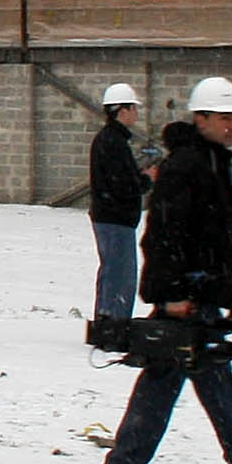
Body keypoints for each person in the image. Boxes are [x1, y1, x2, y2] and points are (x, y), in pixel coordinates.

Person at [98, 75, 232, 464]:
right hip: (186, 296)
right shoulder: (186, 166)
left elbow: (220, 237)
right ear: (201, 117)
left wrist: (228, 295)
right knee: (176, 377)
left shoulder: (211, 162)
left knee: (203, 376)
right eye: (224, 117)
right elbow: (162, 235)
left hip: (202, 293)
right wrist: (169, 295)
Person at [86, 82, 150, 325]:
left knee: (113, 271)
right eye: (134, 108)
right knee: (120, 275)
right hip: (115, 219)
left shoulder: (108, 139)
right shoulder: (114, 142)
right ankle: (112, 325)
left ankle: (108, 321)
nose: (136, 113)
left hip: (109, 216)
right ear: (122, 110)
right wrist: (146, 180)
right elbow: (123, 185)